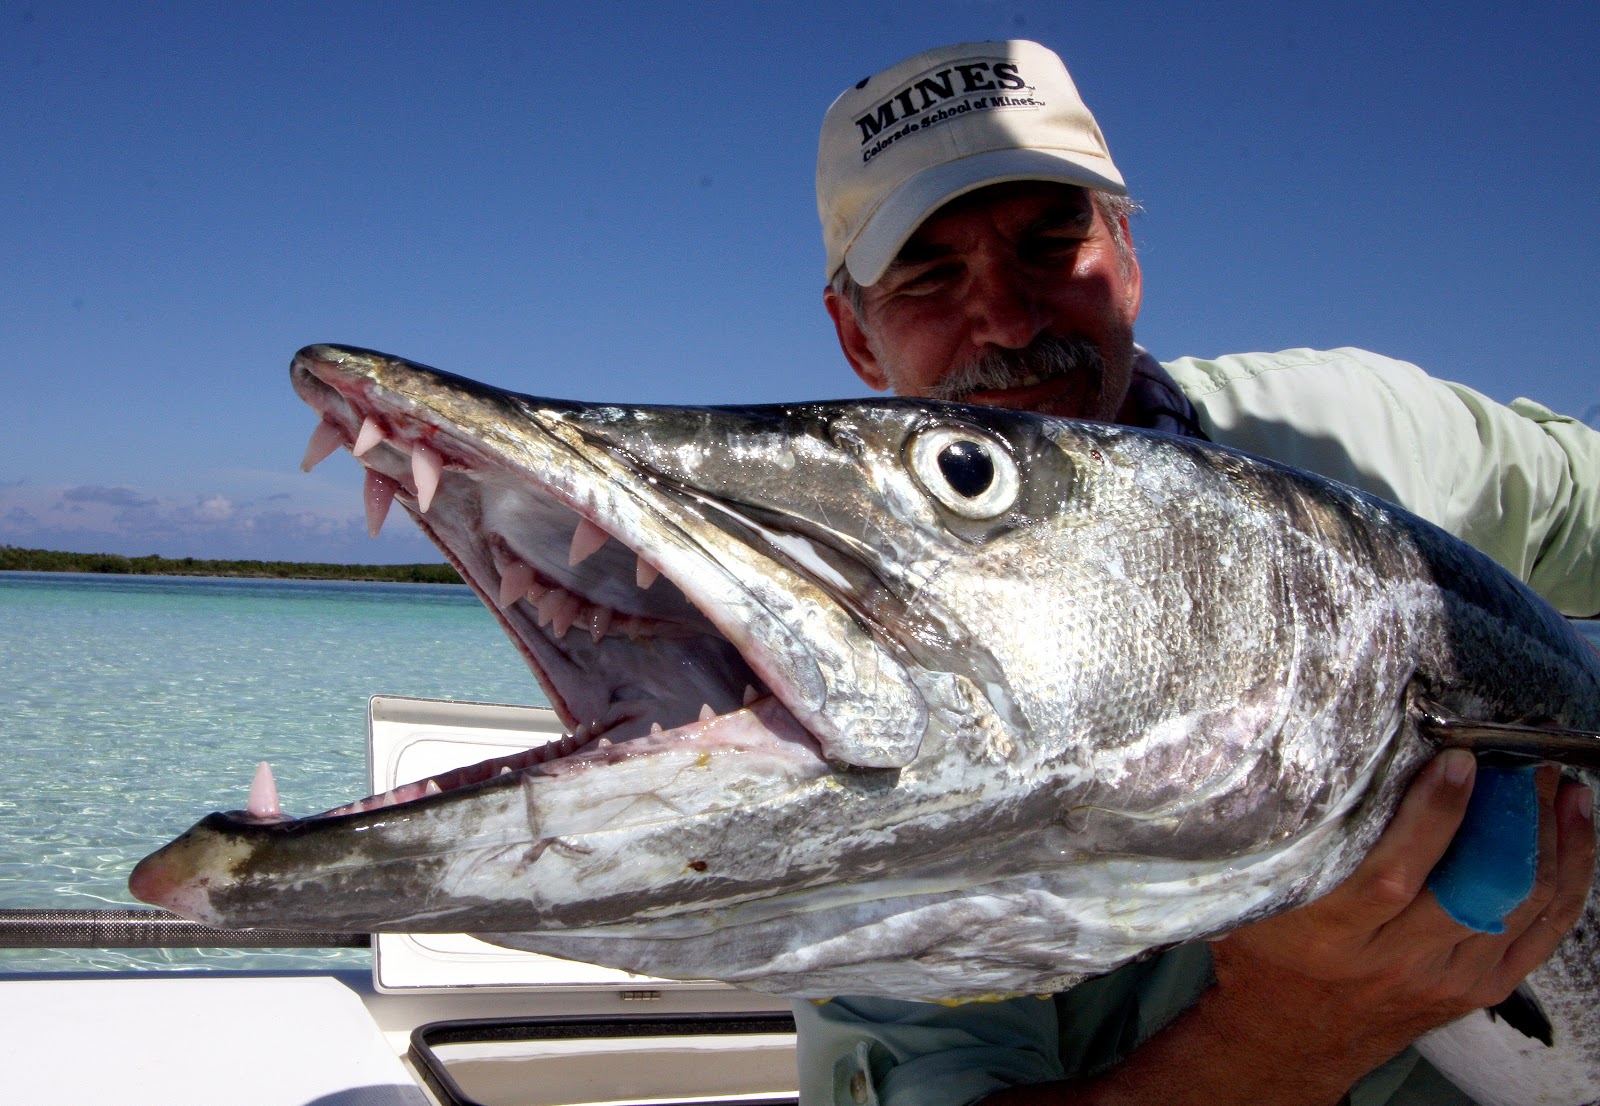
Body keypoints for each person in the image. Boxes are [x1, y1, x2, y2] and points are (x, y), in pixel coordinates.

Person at [796, 39, 1599, 1106]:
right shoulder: (860, 718)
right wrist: (1290, 1029)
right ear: (855, 338)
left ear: (1125, 255)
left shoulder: (1367, 430)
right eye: (930, 275)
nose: (1009, 318)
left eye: (1051, 240)